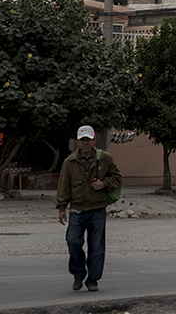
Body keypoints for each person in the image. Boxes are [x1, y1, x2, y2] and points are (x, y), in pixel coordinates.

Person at [56, 125, 122, 292]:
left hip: (97, 210)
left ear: (94, 141)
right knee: (73, 241)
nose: (85, 143)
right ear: (77, 142)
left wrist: (104, 184)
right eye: (82, 140)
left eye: (88, 140)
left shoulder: (105, 158)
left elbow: (117, 177)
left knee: (97, 247)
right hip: (77, 210)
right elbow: (63, 185)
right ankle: (78, 274)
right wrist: (62, 208)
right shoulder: (69, 162)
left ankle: (92, 279)